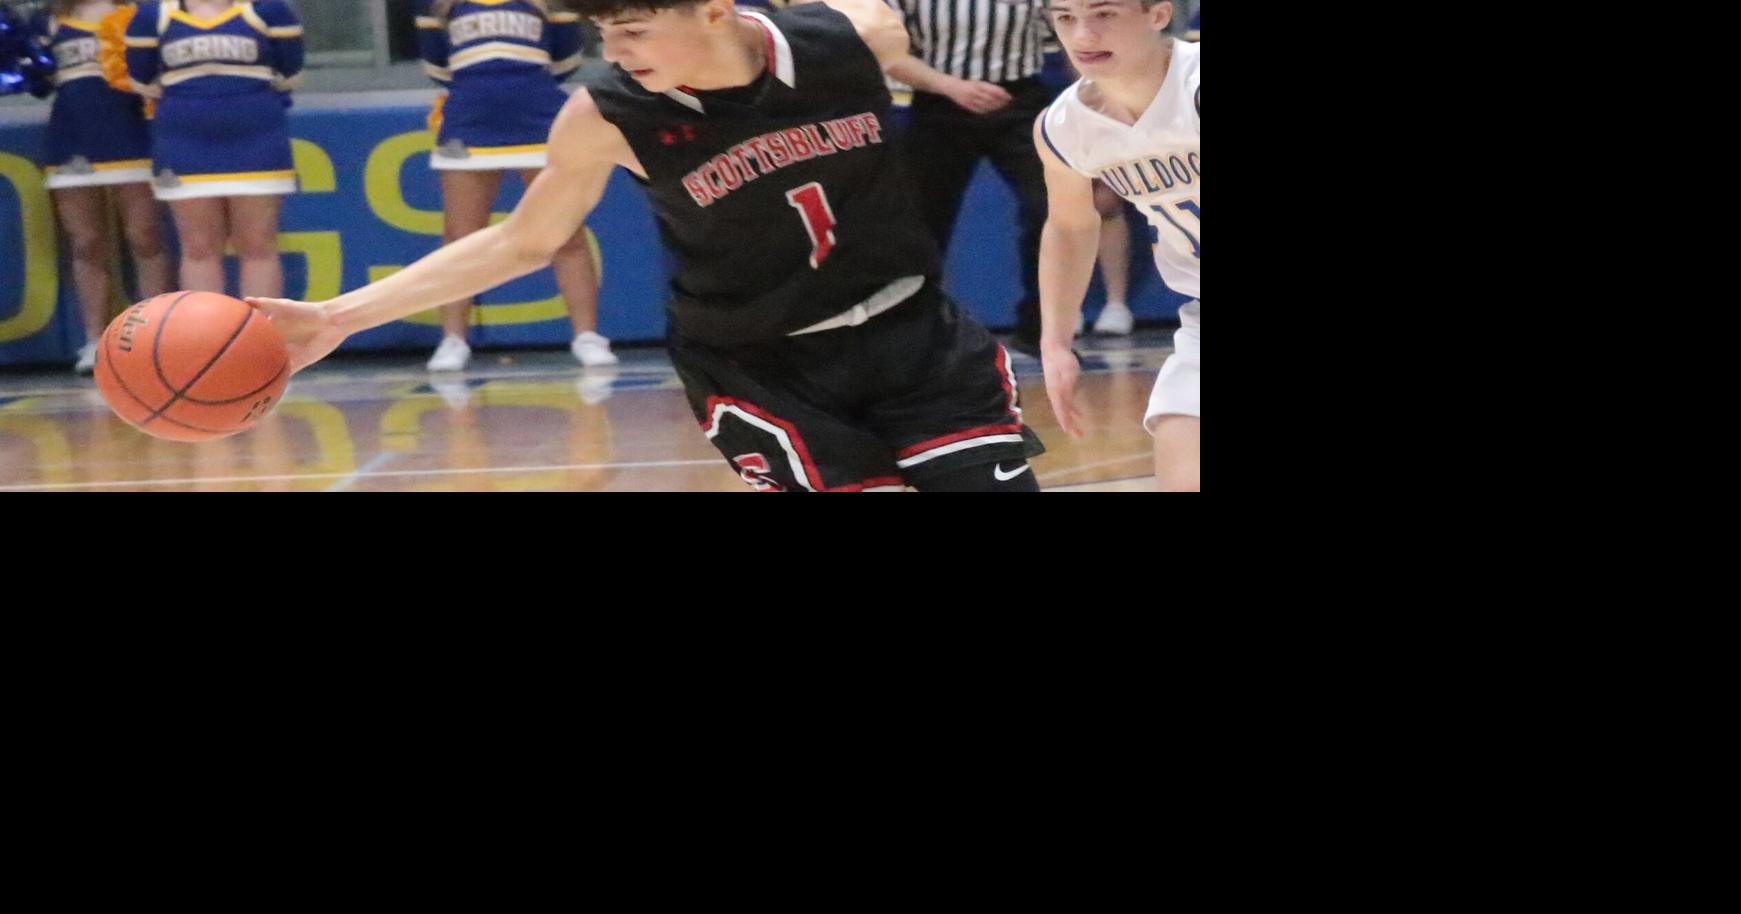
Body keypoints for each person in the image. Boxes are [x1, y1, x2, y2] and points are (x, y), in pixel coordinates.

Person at [250, 0, 1045, 492]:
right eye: (604, 34)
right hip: (761, 363)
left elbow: (878, 19)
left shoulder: (848, 39)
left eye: (632, 30)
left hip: (913, 334)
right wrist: (337, 316)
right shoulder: (606, 116)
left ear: (713, 10)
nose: (617, 53)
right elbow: (525, 240)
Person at [1033, 0, 1197, 489]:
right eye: (1066, 17)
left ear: (1158, 15)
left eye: (1104, 14)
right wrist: (1056, 344)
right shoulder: (1063, 126)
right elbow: (1070, 226)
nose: (1083, 35)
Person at [416, 0, 616, 371]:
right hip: (468, 121)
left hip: (538, 117)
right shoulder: (438, 5)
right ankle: (452, 340)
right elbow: (436, 67)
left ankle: (587, 336)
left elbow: (566, 61)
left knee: (565, 231)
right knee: (460, 237)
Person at [116, 0, 303, 299]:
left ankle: (259, 329)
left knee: (258, 244)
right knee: (198, 247)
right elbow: (142, 79)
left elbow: (291, 73)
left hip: (257, 139)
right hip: (184, 143)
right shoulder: (153, 15)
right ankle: (203, 329)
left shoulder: (268, 9)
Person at [35, 0, 170, 374]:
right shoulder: (50, 18)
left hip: (131, 132)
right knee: (86, 242)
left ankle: (156, 335)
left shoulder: (140, 12)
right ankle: (95, 339)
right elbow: (38, 80)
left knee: (144, 236)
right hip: (72, 136)